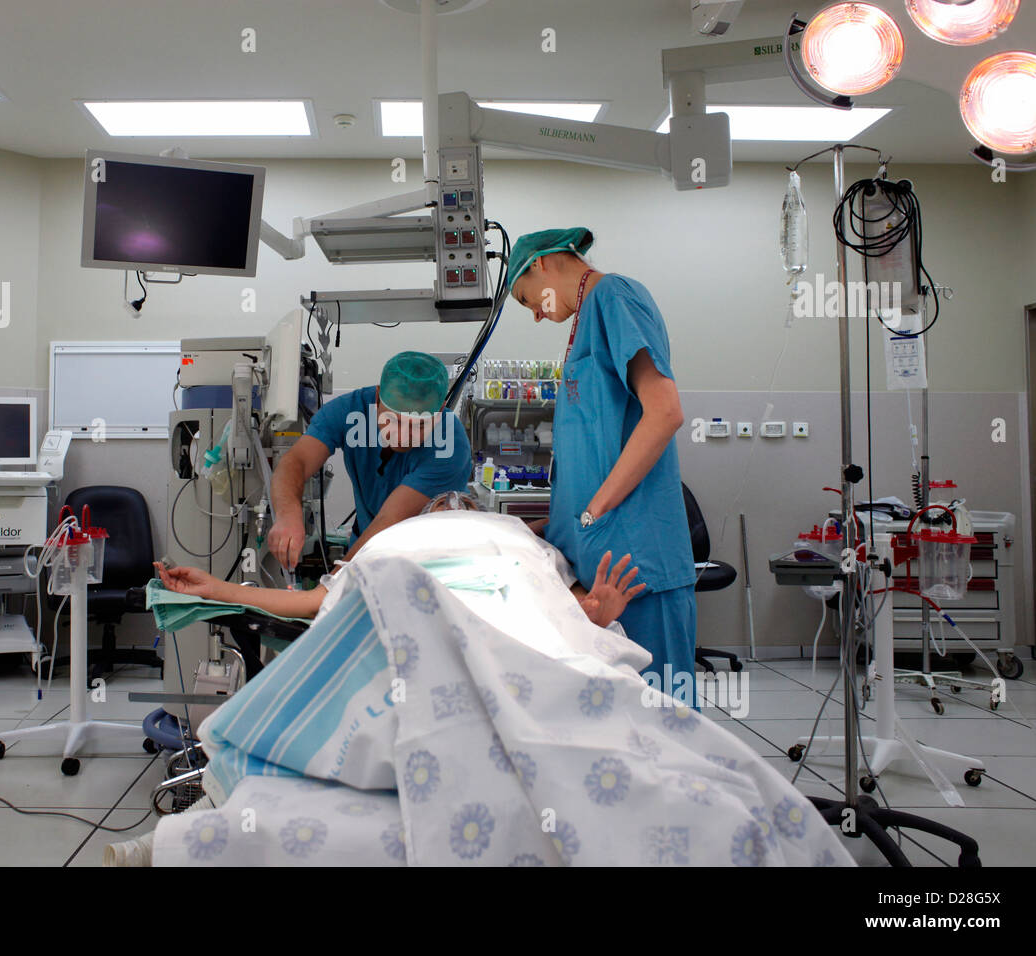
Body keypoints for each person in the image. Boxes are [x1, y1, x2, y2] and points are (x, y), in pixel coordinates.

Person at [505, 227, 696, 697]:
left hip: (637, 564)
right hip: (600, 564)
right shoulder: (583, 322)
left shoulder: (615, 296)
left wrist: (594, 513)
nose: (534, 315)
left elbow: (665, 413)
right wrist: (562, 524)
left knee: (662, 722)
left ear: (543, 263)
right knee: (617, 729)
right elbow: (597, 442)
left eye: (528, 299)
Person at [154, 491, 644, 627]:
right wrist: (214, 587)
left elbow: (555, 586)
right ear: (425, 516)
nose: (454, 504)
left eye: (464, 502)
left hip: (504, 608)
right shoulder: (396, 541)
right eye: (444, 503)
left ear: (481, 512)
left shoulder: (511, 534)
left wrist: (589, 610)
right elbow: (306, 604)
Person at [267, 350, 472, 568]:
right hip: (368, 547)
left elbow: (390, 520)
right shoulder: (350, 411)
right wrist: (288, 513)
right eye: (393, 420)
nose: (402, 436)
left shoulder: (450, 445)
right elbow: (296, 460)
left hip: (432, 560)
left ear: (440, 412)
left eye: (419, 425)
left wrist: (336, 582)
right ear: (377, 398)